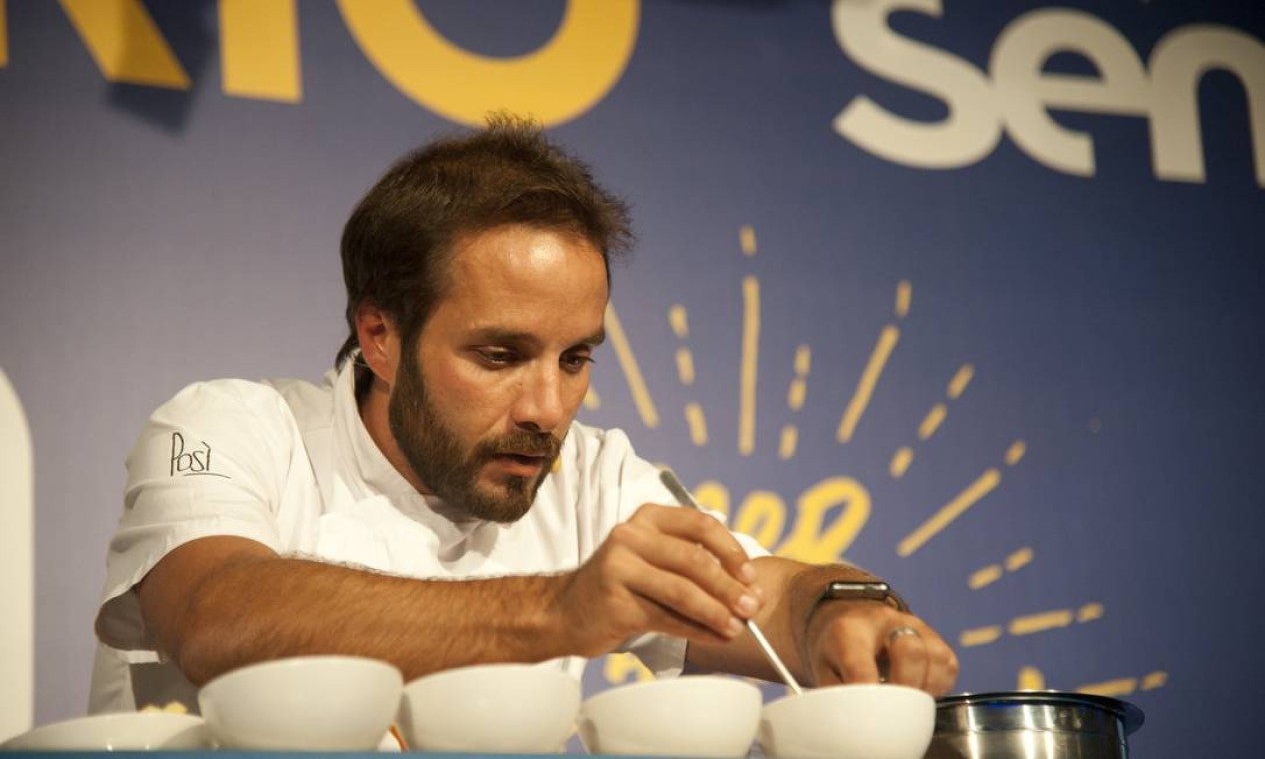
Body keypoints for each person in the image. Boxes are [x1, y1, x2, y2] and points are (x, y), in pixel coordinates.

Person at [90, 116, 957, 714]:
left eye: (576, 358)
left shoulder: (591, 476)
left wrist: (844, 610)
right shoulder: (226, 427)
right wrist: (558, 609)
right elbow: (213, 614)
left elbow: (766, 597)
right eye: (500, 356)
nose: (548, 410)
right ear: (380, 336)